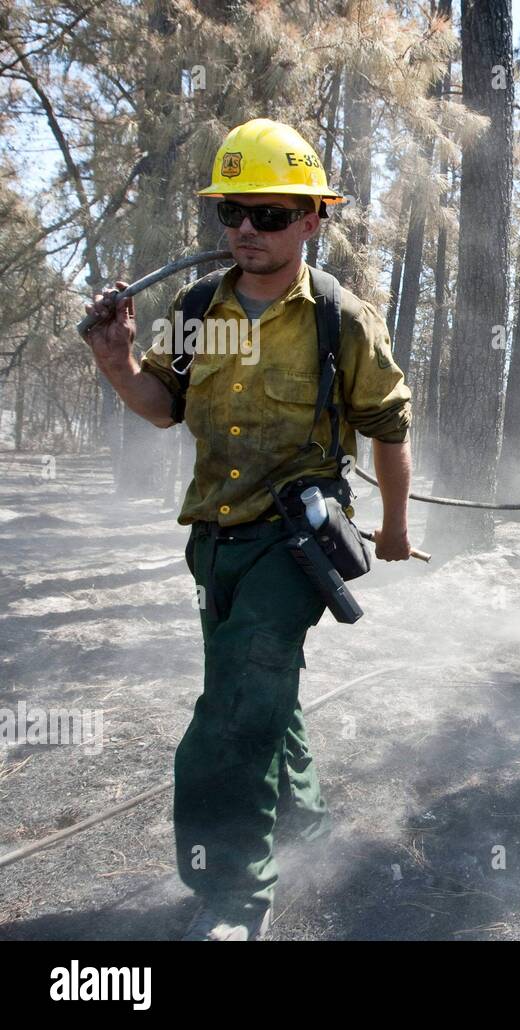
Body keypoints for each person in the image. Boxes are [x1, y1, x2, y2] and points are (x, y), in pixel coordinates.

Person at [80, 118, 413, 940]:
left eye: (267, 214)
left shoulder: (343, 318)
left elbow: (388, 426)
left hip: (291, 544)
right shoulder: (198, 308)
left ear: (311, 219)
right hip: (214, 542)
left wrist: (396, 526)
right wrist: (116, 360)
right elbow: (164, 408)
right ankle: (304, 824)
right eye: (233, 213)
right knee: (263, 694)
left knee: (229, 720)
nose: (244, 231)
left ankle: (232, 897)